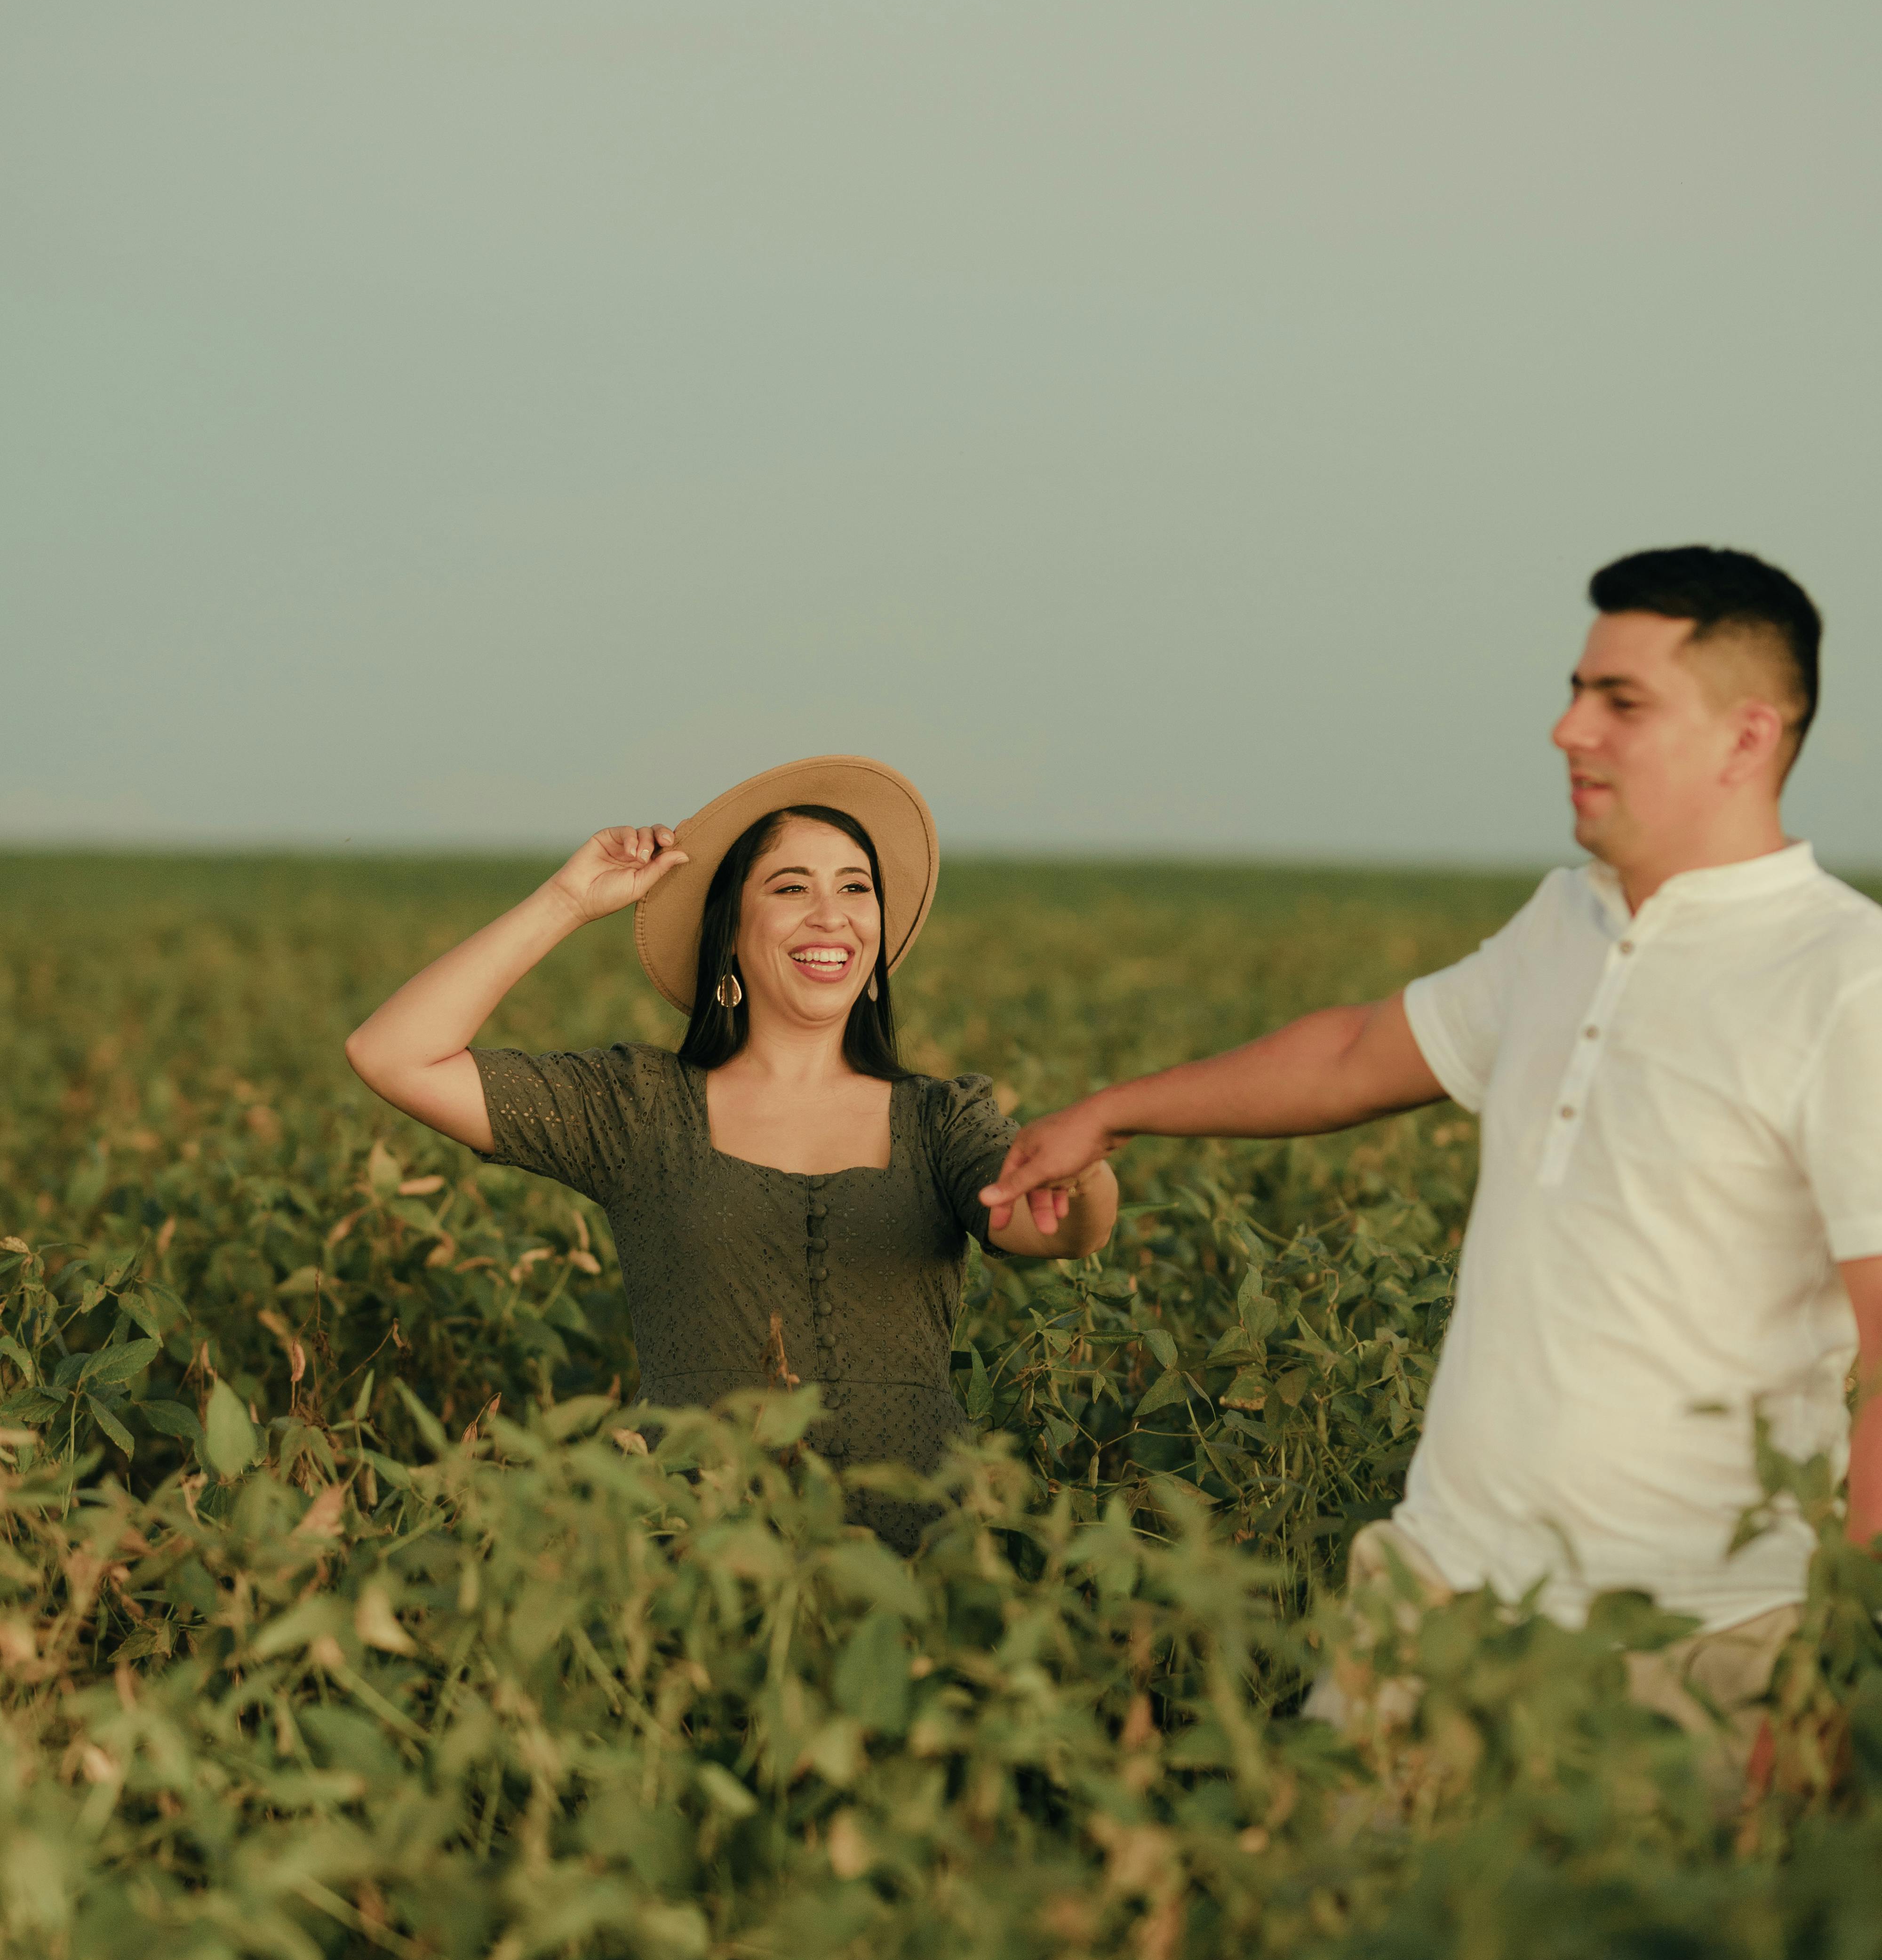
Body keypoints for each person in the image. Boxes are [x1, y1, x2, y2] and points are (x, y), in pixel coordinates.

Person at [981, 549, 1882, 1765]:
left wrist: (1832, 1665)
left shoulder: (1845, 981)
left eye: (1622, 702)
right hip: (1435, 1592)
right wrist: (1115, 1112)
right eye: (1577, 690)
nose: (1569, 729)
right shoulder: (1568, 923)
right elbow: (1354, 1053)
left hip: (1693, 1647)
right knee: (1332, 1938)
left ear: (1748, 737)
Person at [346, 755, 1117, 1551]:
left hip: (922, 1569)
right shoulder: (636, 1109)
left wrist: (1083, 1173)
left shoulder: (940, 1119)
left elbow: (1058, 1229)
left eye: (856, 888)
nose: (831, 916)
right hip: (696, 1565)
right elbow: (393, 1055)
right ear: (731, 931)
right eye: (791, 889)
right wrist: (568, 902)